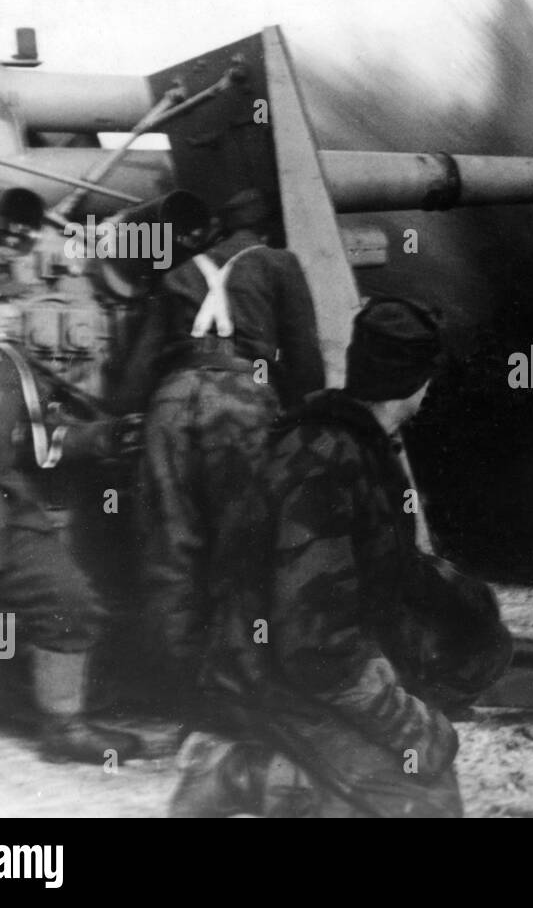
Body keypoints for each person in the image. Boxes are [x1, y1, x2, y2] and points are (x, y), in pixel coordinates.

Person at [170, 297, 512, 817]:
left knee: (428, 777)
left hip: (290, 661)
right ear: (419, 383)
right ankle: (237, 769)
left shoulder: (355, 443)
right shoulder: (329, 464)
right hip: (269, 678)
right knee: (424, 806)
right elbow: (316, 650)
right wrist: (410, 726)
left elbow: (382, 564)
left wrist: (466, 605)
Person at [0, 246, 141, 762]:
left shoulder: (8, 365)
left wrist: (104, 437)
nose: (11, 310)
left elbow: (41, 441)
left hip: (5, 520)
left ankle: (65, 726)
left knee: (70, 600)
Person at [116, 190, 325, 691]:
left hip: (172, 400)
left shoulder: (178, 275)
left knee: (170, 541)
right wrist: (310, 417)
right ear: (267, 229)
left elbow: (138, 369)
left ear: (219, 228)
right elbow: (302, 349)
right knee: (243, 542)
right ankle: (240, 681)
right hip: (241, 400)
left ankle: (175, 682)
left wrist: (121, 418)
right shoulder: (279, 263)